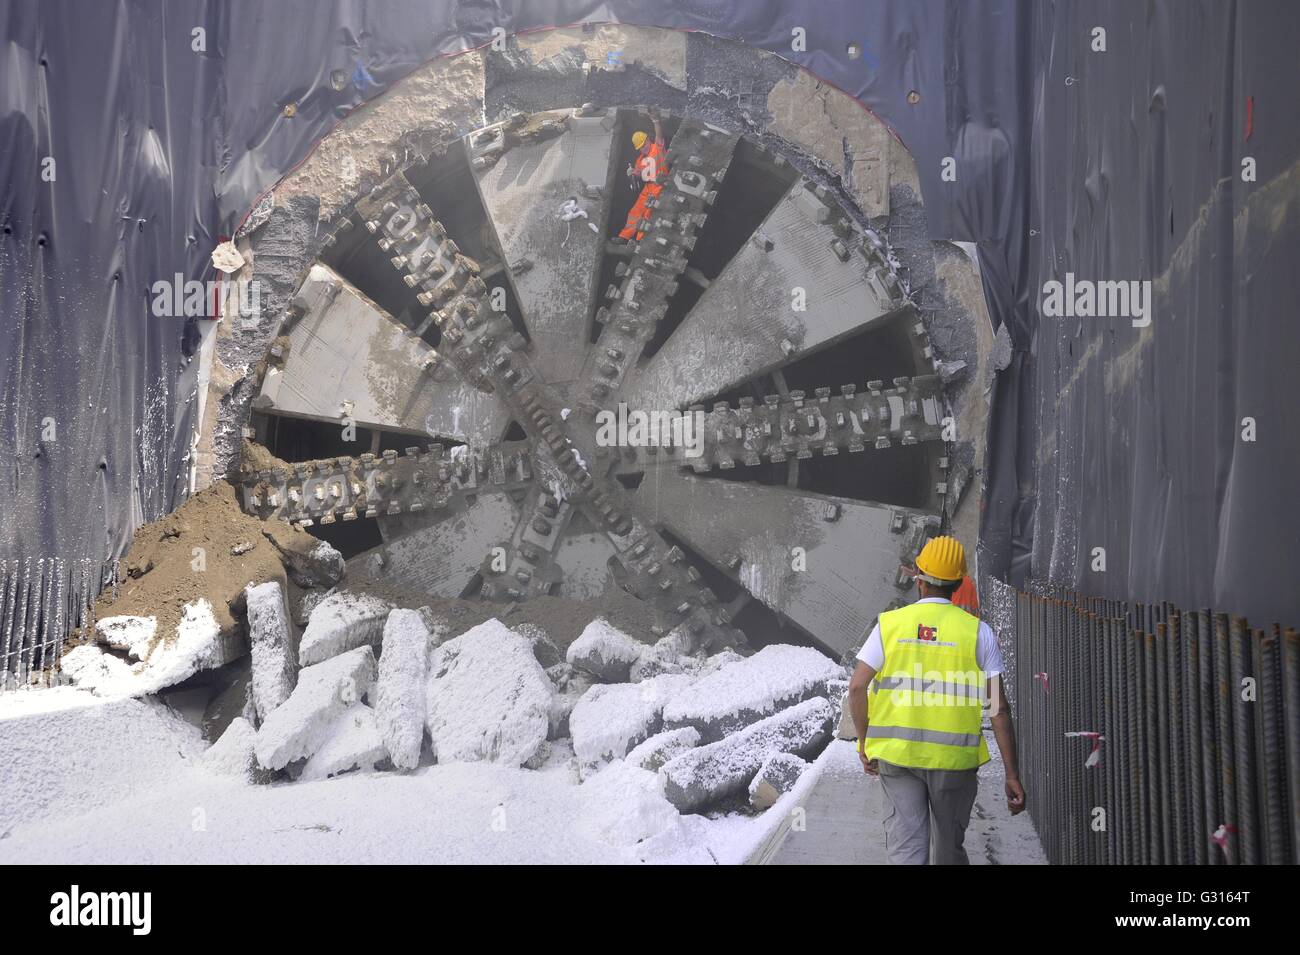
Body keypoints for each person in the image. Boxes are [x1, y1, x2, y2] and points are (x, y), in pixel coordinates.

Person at [847, 535, 1025, 864]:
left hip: (897, 759)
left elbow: (857, 688)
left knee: (906, 851)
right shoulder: (978, 632)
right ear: (958, 584)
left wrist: (865, 742)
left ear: (920, 580)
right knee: (947, 851)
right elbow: (999, 710)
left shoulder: (889, 626)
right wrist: (1011, 775)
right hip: (953, 764)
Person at [618, 115, 667, 242]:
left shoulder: (657, 148)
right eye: (640, 147)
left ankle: (641, 240)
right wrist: (632, 174)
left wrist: (655, 121)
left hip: (660, 184)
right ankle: (623, 237)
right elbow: (639, 175)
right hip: (648, 187)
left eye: (643, 144)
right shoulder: (639, 161)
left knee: (648, 212)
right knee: (635, 211)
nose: (643, 148)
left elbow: (659, 136)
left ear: (648, 140)